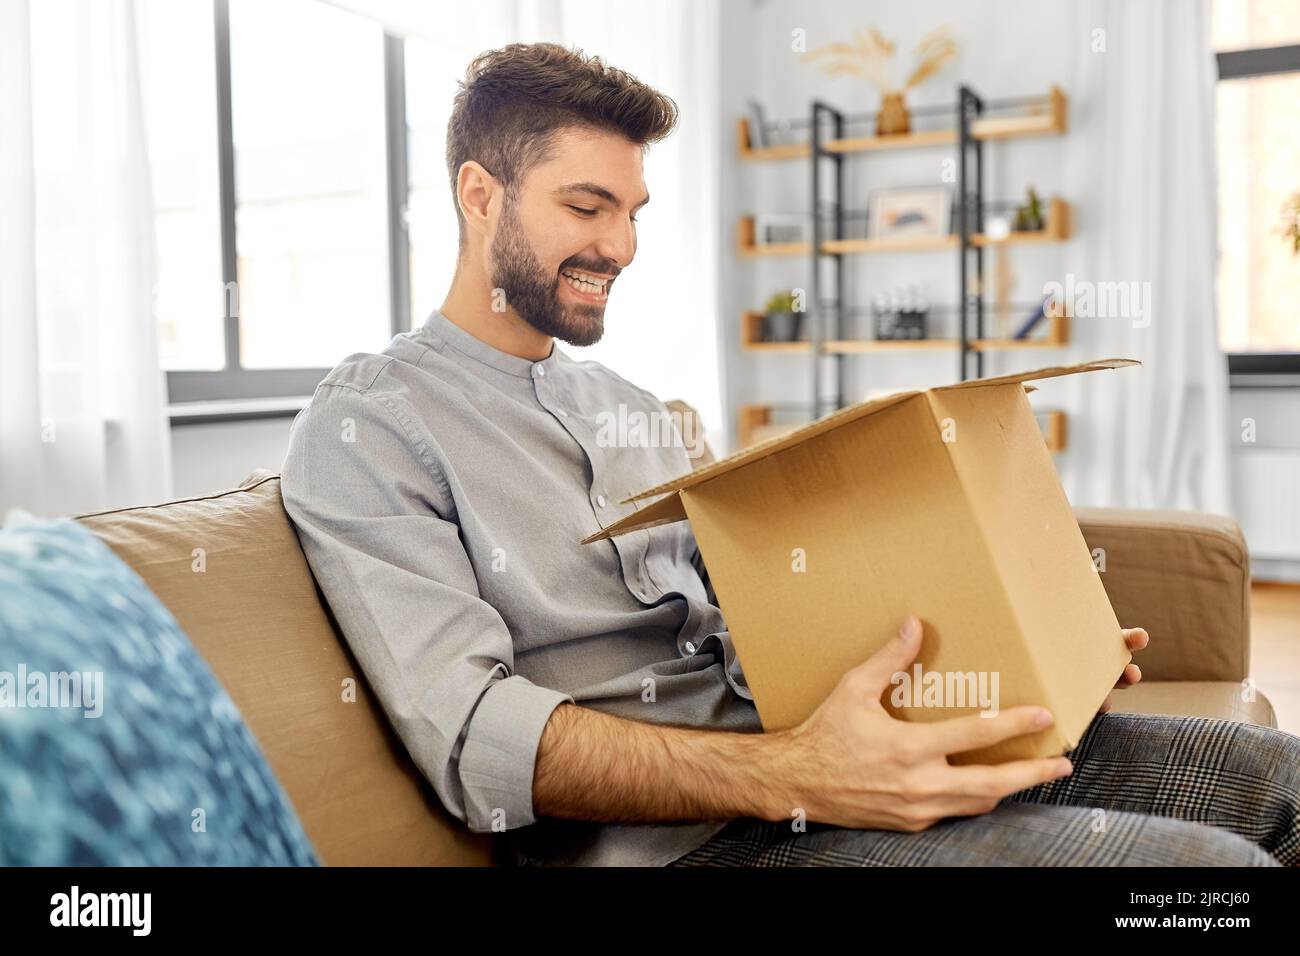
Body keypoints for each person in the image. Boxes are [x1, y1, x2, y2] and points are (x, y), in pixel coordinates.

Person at [280, 42, 1298, 867]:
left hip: (827, 768)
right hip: (698, 843)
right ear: (479, 193)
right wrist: (800, 774)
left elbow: (769, 619)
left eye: (633, 213)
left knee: (1284, 784)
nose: (622, 246)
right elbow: (469, 730)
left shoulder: (629, 405)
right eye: (587, 206)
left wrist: (1011, 652)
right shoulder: (370, 424)